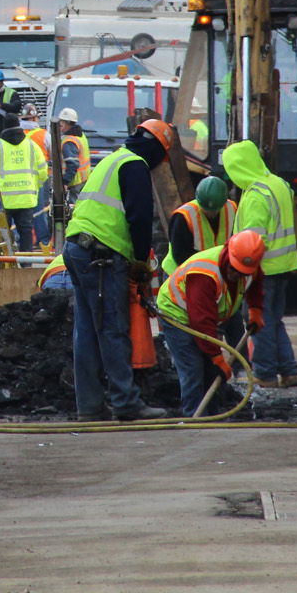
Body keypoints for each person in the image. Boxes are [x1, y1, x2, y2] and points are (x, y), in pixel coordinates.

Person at [63, 118, 176, 421]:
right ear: (156, 150)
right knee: (112, 329)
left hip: (77, 248)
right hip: (101, 256)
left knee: (87, 331)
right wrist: (140, 264)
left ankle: (89, 406)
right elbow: (139, 221)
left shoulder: (112, 160)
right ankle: (126, 403)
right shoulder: (136, 165)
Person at [157, 231, 267, 418]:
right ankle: (195, 416)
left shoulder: (247, 264)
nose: (237, 274)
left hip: (204, 317)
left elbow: (255, 282)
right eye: (235, 269)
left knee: (209, 369)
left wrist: (255, 310)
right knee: (193, 367)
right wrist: (217, 358)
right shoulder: (205, 273)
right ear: (229, 254)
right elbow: (201, 322)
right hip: (176, 314)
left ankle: (211, 414)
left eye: (242, 272)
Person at [221, 139, 297, 388]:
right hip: (285, 264)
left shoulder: (255, 195)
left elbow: (253, 241)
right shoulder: (278, 184)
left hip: (265, 268)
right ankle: (290, 372)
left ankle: (265, 374)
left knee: (258, 321)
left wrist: (241, 270)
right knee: (275, 320)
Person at [0, 114, 48, 251]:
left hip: (2, 200)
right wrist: (35, 186)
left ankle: (7, 263)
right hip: (26, 198)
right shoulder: (32, 146)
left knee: (3, 234)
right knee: (26, 231)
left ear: (3, 127)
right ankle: (26, 262)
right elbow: (43, 172)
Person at [163, 175, 237, 274]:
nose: (210, 213)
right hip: (180, 272)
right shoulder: (184, 216)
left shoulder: (232, 210)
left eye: (214, 210)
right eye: (206, 209)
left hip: (213, 271)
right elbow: (180, 254)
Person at [23, 105, 53, 246]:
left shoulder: (16, 134)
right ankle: (43, 240)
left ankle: (22, 240)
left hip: (20, 180)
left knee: (21, 212)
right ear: (36, 118)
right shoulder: (43, 134)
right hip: (40, 179)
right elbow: (53, 154)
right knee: (40, 210)